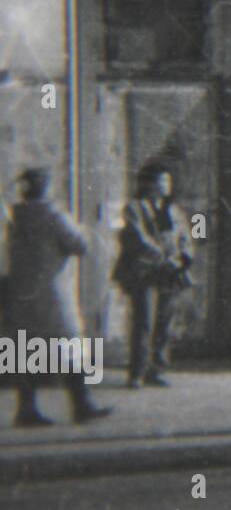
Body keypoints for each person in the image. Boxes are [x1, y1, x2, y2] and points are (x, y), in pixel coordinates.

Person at [6, 168, 111, 426]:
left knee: (26, 349)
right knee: (70, 344)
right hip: (53, 292)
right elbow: (80, 245)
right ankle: (81, 404)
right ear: (46, 187)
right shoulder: (54, 215)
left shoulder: (14, 217)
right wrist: (82, 227)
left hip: (21, 293)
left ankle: (26, 408)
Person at [112, 161, 193, 388]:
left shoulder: (175, 211)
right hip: (145, 271)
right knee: (144, 321)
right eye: (160, 181)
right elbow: (137, 238)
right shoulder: (134, 208)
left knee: (165, 322)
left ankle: (156, 369)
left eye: (167, 181)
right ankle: (136, 371)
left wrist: (184, 256)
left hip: (170, 272)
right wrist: (163, 257)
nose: (165, 185)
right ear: (148, 184)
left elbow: (185, 236)